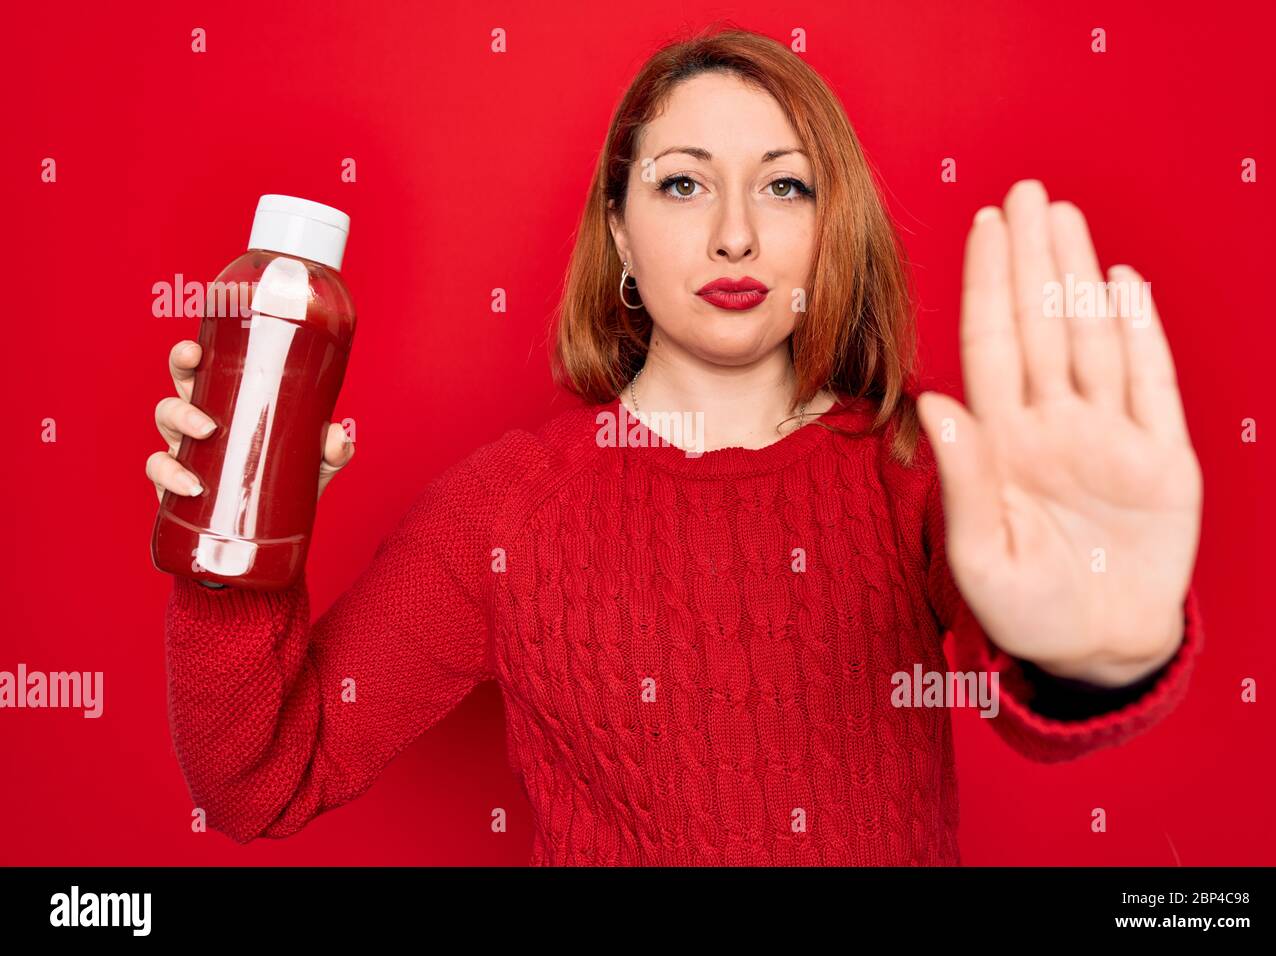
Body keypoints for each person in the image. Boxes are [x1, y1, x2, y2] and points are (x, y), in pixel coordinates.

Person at [148, 27, 1204, 865]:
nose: (734, 233)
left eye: (785, 184)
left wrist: (1097, 656)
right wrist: (232, 542)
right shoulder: (508, 509)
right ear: (617, 228)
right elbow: (259, 780)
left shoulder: (916, 464)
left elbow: (1041, 675)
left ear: (831, 224)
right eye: (683, 182)